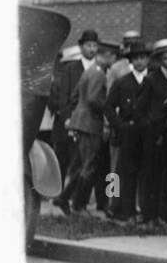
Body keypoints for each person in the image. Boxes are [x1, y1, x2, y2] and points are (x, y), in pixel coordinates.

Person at [54, 38, 118, 214]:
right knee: (88, 166)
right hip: (90, 125)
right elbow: (93, 99)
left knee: (82, 165)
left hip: (81, 122)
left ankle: (64, 198)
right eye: (114, 57)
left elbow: (76, 96)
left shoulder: (89, 71)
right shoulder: (98, 74)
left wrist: (78, 115)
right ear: (106, 56)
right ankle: (78, 205)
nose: (114, 61)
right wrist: (107, 109)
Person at [105, 36, 153, 222]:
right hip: (127, 134)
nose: (140, 61)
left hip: (147, 135)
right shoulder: (122, 81)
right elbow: (108, 106)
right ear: (130, 60)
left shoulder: (152, 80)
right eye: (136, 58)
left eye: (143, 57)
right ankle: (121, 207)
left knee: (146, 172)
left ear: (148, 59)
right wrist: (119, 125)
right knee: (121, 172)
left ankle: (144, 210)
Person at [142, 38, 167, 228]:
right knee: (152, 176)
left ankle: (166, 215)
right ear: (159, 60)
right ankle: (150, 215)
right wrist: (151, 125)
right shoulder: (151, 79)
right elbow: (142, 108)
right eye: (165, 58)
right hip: (155, 135)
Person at [47, 37, 89, 197]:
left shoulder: (81, 79)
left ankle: (64, 195)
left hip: (73, 126)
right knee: (63, 162)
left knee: (70, 162)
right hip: (62, 128)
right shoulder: (59, 82)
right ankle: (60, 194)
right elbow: (55, 103)